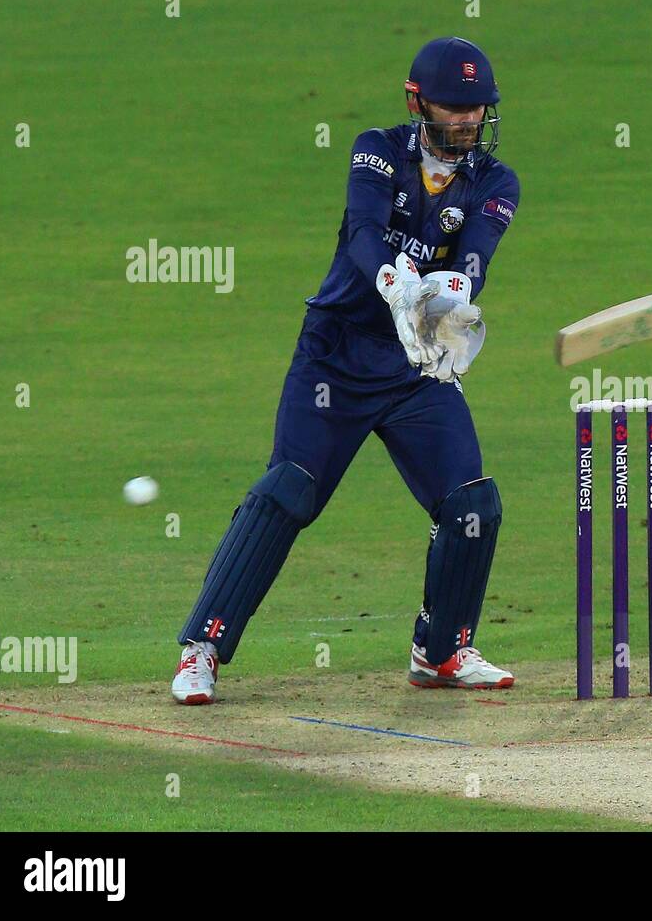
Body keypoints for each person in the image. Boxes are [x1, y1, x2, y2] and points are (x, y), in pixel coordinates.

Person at [171, 37, 520, 705]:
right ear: (417, 101)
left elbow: (475, 261)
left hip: (414, 363)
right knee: (287, 492)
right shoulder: (376, 149)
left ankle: (441, 651)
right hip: (336, 352)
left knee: (473, 504)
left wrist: (443, 293)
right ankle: (202, 648)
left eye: (480, 108)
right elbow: (363, 231)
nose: (470, 120)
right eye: (455, 106)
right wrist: (394, 281)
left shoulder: (496, 183)